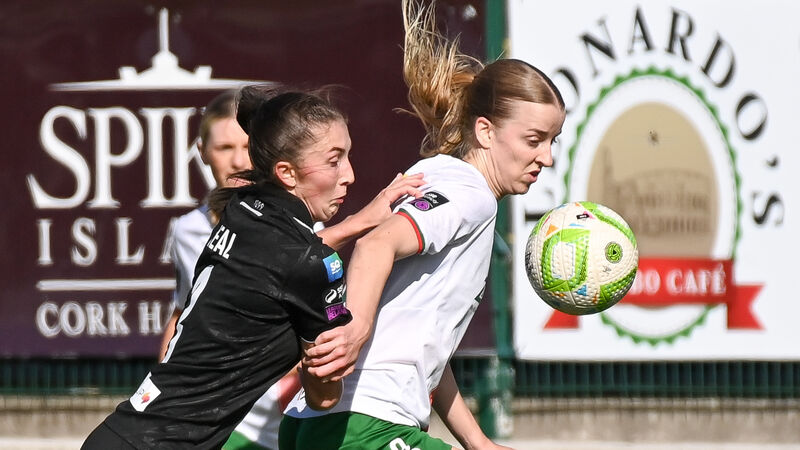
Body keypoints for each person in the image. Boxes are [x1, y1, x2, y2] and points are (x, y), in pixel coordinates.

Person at [281, 1, 566, 449]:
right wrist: (353, 330)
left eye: (553, 141)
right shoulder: (469, 194)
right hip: (365, 425)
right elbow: (377, 244)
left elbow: (429, 351)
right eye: (534, 140)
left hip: (322, 423)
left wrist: (478, 442)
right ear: (486, 132)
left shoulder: (441, 175)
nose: (546, 158)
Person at [82, 85, 425, 449]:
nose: (350, 175)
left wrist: (358, 222)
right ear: (287, 173)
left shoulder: (241, 206)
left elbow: (289, 261)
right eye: (334, 160)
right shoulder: (311, 266)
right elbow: (322, 398)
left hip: (120, 434)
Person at [158, 89, 299, 450]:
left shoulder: (301, 230)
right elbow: (183, 311)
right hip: (210, 419)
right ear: (202, 152)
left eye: (247, 147)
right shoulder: (186, 230)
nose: (239, 161)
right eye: (224, 148)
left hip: (281, 422)